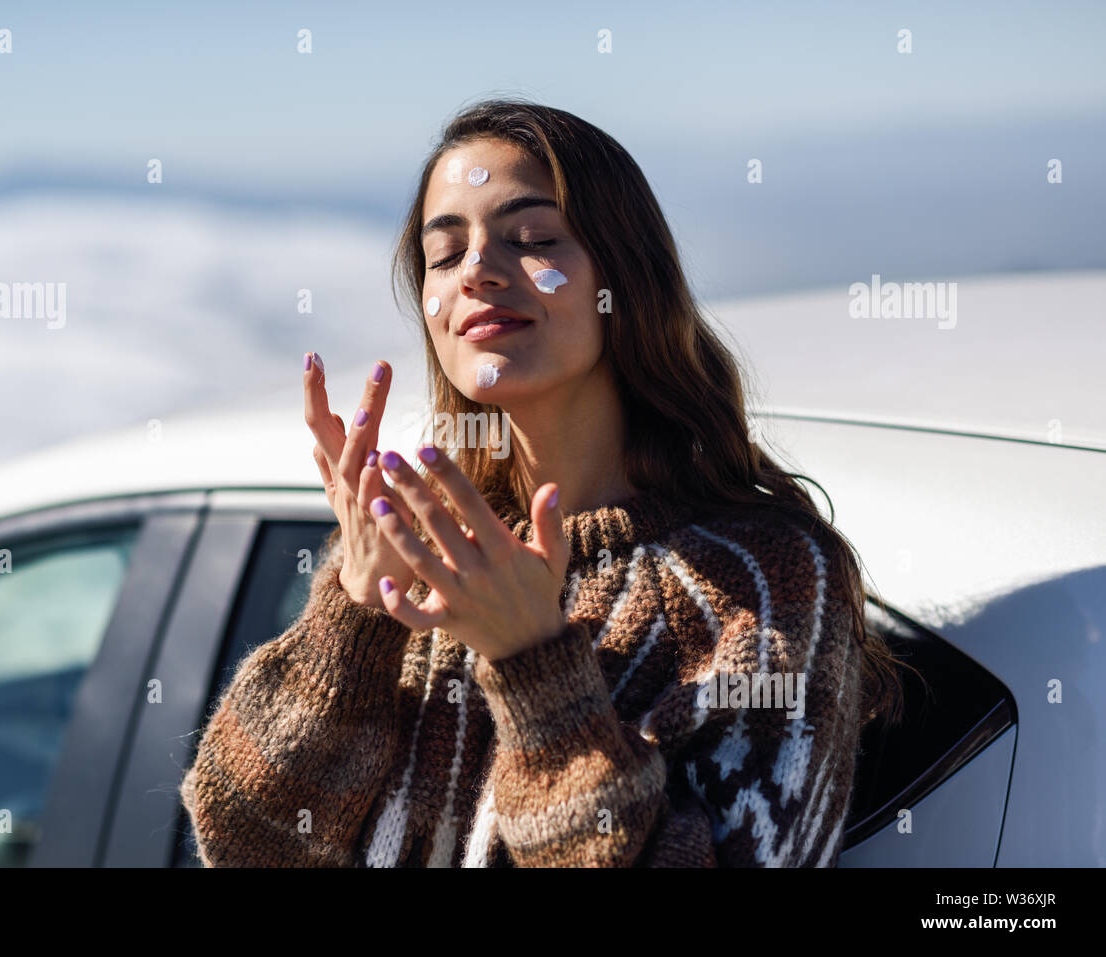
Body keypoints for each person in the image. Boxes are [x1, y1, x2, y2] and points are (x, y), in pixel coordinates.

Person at [179, 97, 902, 867]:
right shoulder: (424, 558)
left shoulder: (763, 580)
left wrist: (535, 665)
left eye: (531, 239)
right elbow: (246, 842)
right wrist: (354, 616)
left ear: (626, 278)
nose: (479, 272)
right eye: (445, 254)